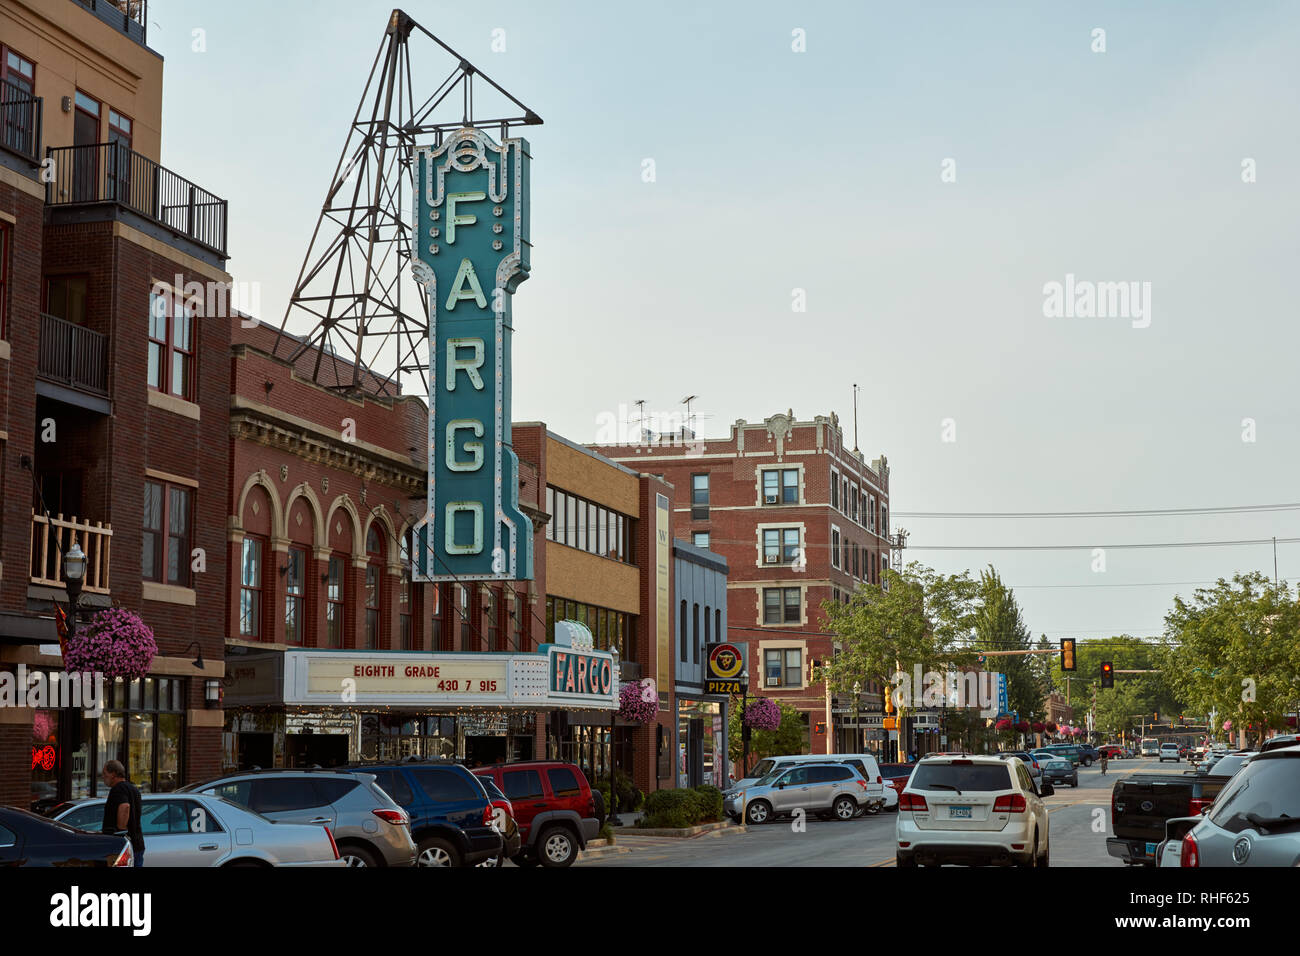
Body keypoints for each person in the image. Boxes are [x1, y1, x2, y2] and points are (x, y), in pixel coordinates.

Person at [101, 760, 144, 867]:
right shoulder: (134, 789)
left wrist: (120, 832)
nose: (103, 777)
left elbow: (125, 806)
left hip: (122, 847)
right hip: (137, 844)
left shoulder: (118, 789)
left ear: (114, 774)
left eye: (105, 774)